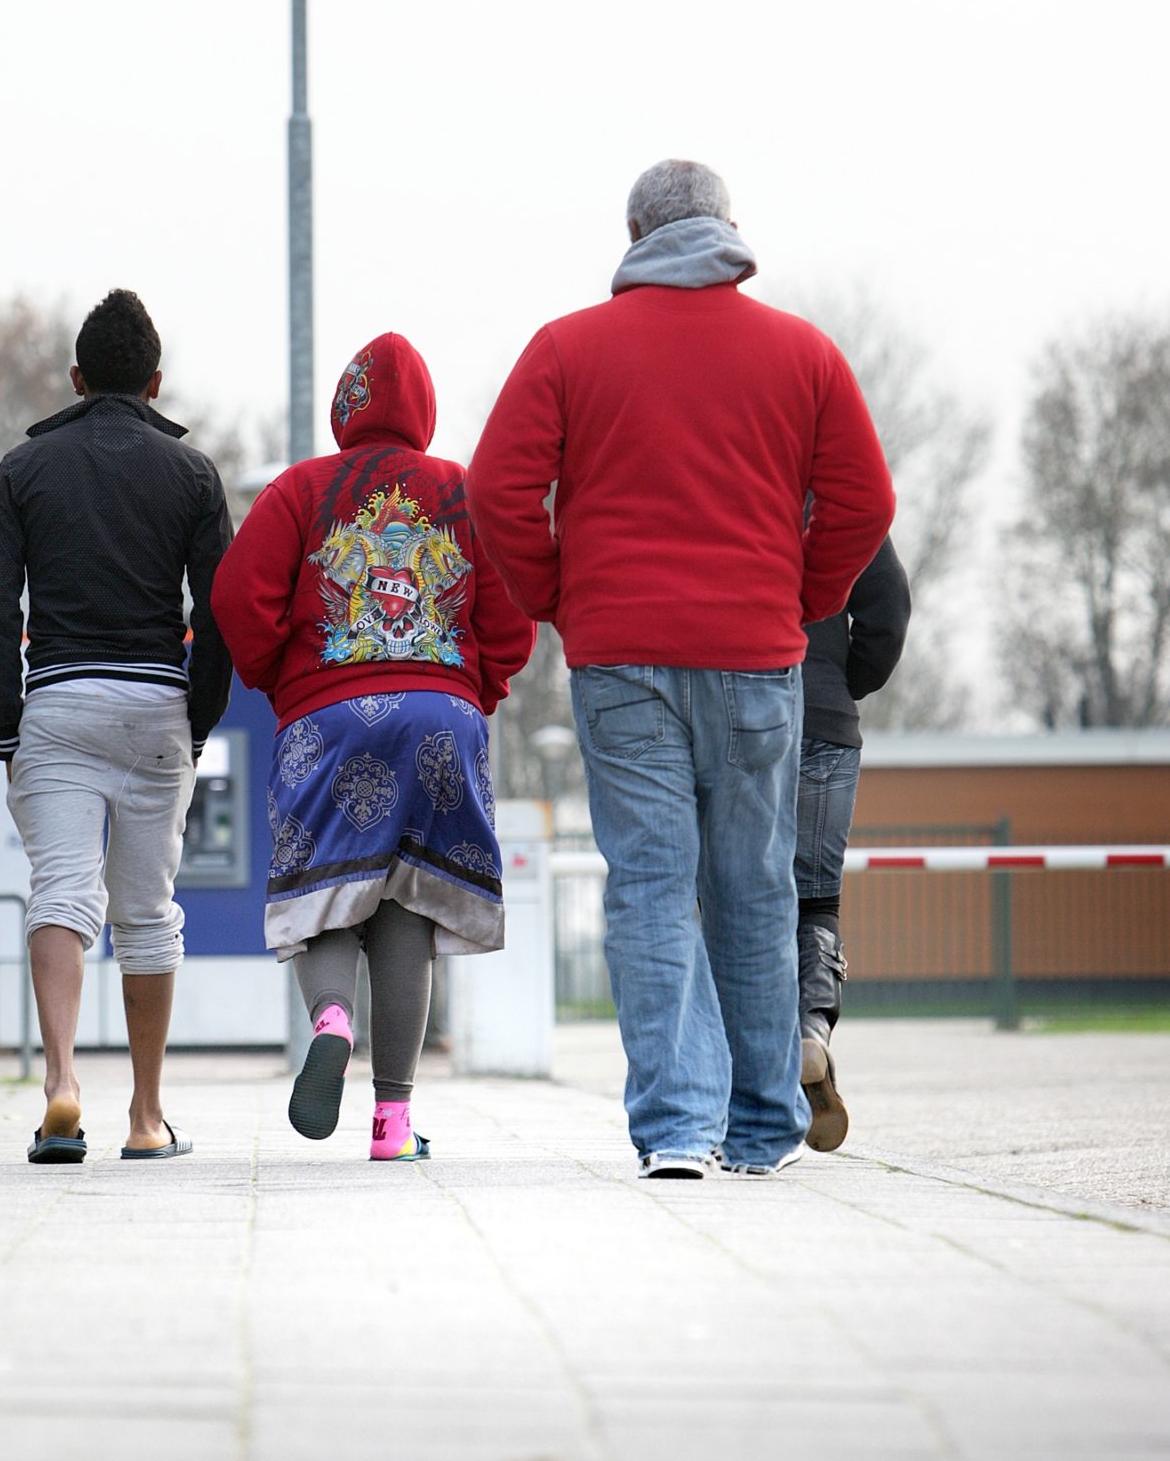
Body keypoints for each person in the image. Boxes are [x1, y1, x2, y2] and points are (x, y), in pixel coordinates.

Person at [469, 160, 894, 1179]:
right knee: (754, 889)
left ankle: (676, 1130)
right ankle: (762, 1127)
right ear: (728, 228)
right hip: (757, 658)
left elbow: (495, 489)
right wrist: (802, 596)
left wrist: (558, 596)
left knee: (652, 886)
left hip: (621, 660)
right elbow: (866, 501)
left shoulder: (567, 348)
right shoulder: (804, 353)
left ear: (634, 236)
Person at [213, 334, 535, 1159]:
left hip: (329, 714)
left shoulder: (299, 489)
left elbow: (237, 595)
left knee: (326, 889)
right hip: (441, 713)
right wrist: (473, 691)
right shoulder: (462, 492)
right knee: (406, 908)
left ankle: (330, 1021)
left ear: (344, 407)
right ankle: (392, 1123)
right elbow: (511, 611)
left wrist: (283, 683)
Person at [0, 289, 234, 1166]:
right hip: (156, 704)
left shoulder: (23, 469)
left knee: (59, 892)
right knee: (147, 911)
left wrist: (8, 729)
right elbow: (219, 614)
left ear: (76, 378)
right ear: (155, 382)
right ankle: (146, 1118)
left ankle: (60, 1085)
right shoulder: (192, 474)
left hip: (58, 703)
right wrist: (197, 721)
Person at [796, 533, 910, 1150]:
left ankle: (748, 1073)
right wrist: (841, 682)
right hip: (826, 723)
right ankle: (812, 1028)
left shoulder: (731, 480)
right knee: (816, 900)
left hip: (741, 716)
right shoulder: (835, 494)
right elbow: (887, 607)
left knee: (740, 899)